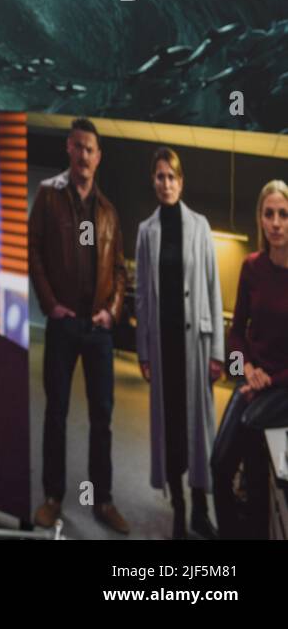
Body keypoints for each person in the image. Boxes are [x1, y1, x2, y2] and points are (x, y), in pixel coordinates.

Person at [29, 117, 130, 534]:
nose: (84, 155)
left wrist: (114, 309)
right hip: (64, 325)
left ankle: (101, 500)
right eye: (78, 147)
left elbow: (121, 270)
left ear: (98, 156)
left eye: (91, 149)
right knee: (56, 412)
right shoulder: (49, 197)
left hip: (99, 330)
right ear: (68, 150)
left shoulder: (108, 212)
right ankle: (53, 498)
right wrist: (49, 304)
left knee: (102, 417)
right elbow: (33, 251)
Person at [133, 147, 223, 539]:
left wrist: (218, 351)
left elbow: (212, 288)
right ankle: (179, 508)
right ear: (153, 181)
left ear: (181, 182)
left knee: (198, 430)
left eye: (172, 176)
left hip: (195, 345)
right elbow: (140, 296)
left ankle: (201, 508)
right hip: (163, 345)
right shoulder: (146, 231)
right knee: (171, 430)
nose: (165, 183)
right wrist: (143, 351)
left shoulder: (201, 226)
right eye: (159, 176)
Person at [211, 179, 288, 539]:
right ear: (259, 218)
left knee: (257, 464)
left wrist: (269, 380)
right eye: (268, 214)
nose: (276, 222)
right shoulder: (251, 266)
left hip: (282, 384)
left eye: (283, 214)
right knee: (218, 464)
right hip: (250, 378)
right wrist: (248, 370)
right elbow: (237, 333)